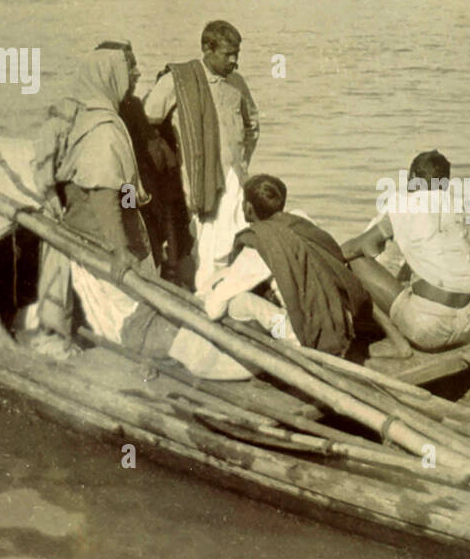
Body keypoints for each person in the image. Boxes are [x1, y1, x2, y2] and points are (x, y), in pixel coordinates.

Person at [30, 45, 250, 380]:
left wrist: (138, 216)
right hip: (102, 235)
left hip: (113, 224)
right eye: (127, 69)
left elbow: (122, 185)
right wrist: (122, 248)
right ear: (109, 76)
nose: (135, 74)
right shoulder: (103, 131)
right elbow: (104, 194)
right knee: (128, 309)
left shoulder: (103, 114)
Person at [134, 20, 259, 291]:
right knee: (203, 246)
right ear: (206, 48)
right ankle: (206, 297)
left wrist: (241, 159)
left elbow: (252, 126)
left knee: (232, 241)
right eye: (228, 54)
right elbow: (148, 119)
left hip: (235, 177)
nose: (234, 60)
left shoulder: (237, 83)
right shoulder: (178, 81)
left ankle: (223, 295)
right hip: (196, 182)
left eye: (237, 53)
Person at [202, 174, 373, 357]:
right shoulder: (301, 220)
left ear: (249, 207)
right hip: (344, 323)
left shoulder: (259, 247)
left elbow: (213, 311)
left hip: (307, 339)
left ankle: (281, 345)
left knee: (237, 302)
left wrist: (209, 294)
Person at [341, 150, 470, 358]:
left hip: (429, 329)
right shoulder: (456, 206)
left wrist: (324, 252)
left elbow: (358, 248)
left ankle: (396, 340)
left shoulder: (406, 204)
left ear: (414, 178)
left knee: (356, 262)